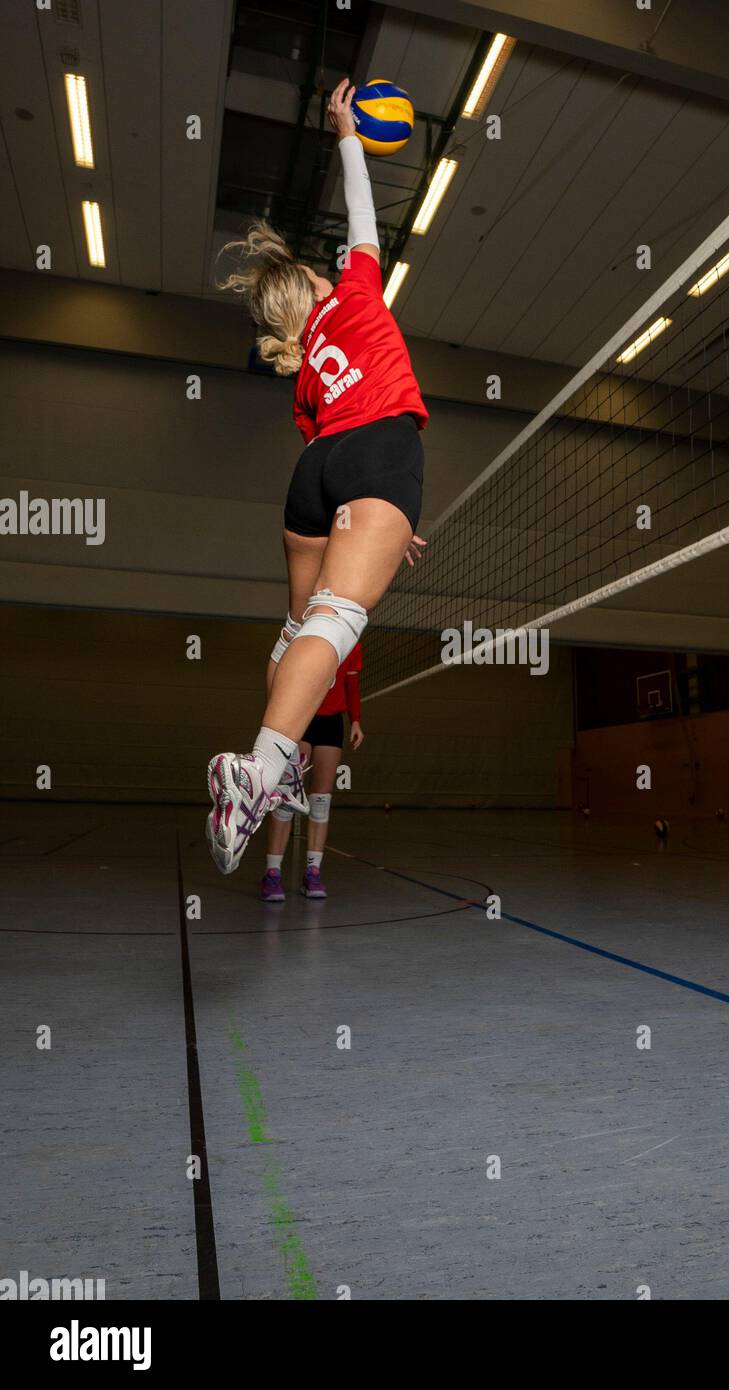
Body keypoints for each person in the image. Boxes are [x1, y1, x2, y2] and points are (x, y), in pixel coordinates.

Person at [206, 78, 426, 875]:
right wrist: (346, 134)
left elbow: (329, 459)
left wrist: (381, 518)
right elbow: (365, 219)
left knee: (300, 627)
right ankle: (260, 773)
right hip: (379, 452)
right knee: (337, 624)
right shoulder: (358, 295)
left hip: (316, 473)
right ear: (319, 287)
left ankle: (280, 758)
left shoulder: (303, 374)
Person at [260, 641, 364, 901]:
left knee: (321, 800)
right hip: (301, 717)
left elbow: (351, 684)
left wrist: (356, 721)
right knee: (288, 796)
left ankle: (313, 873)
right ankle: (272, 874)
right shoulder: (303, 635)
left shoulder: (352, 642)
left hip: (331, 722)